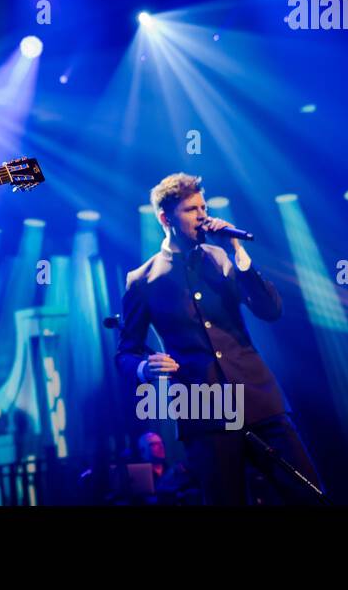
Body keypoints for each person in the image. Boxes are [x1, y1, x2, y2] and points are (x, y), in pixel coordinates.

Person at [116, 173, 323, 505]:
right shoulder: (143, 280)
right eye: (190, 210)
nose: (202, 216)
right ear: (165, 218)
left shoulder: (222, 258)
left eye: (203, 207)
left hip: (258, 399)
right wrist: (144, 368)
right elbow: (125, 353)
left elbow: (270, 310)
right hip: (204, 412)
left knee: (308, 496)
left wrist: (239, 253)